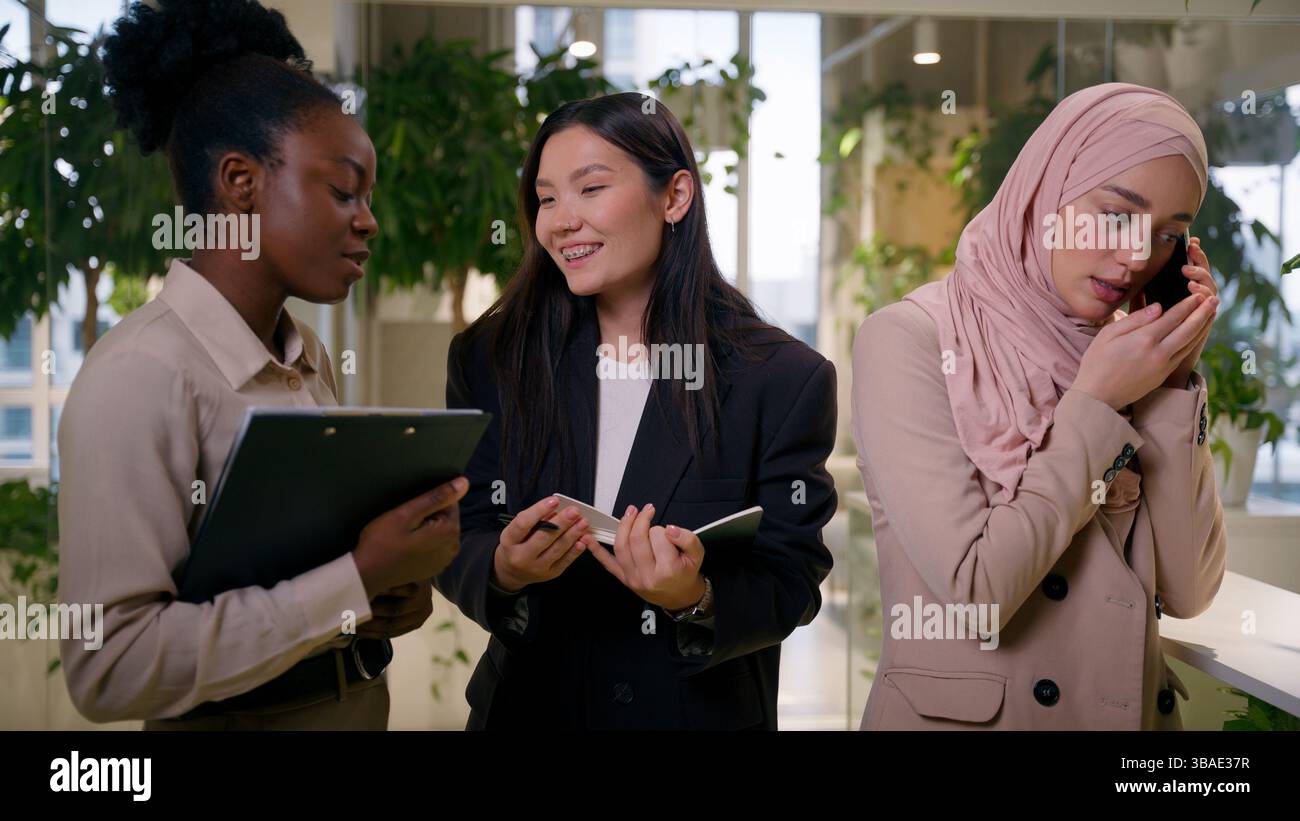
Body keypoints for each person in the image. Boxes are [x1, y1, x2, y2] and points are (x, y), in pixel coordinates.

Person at [57, 0, 464, 730]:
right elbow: (108, 668)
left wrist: (379, 597)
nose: (369, 219)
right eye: (344, 191)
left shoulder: (306, 357)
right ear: (241, 183)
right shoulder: (141, 375)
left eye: (368, 197)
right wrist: (358, 575)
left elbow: (308, 586)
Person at [436, 92, 838, 730]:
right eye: (545, 199)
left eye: (590, 188)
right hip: (530, 711)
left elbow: (793, 577)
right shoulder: (494, 358)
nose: (561, 221)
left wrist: (694, 597)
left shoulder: (780, 377)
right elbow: (463, 525)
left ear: (674, 197)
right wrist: (502, 569)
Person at [851, 82, 1227, 730]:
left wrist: (1170, 386)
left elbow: (1190, 592)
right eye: (1117, 214)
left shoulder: (1125, 354)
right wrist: (1096, 403)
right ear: (1047, 193)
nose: (1139, 257)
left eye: (1169, 235)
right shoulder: (909, 340)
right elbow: (978, 592)